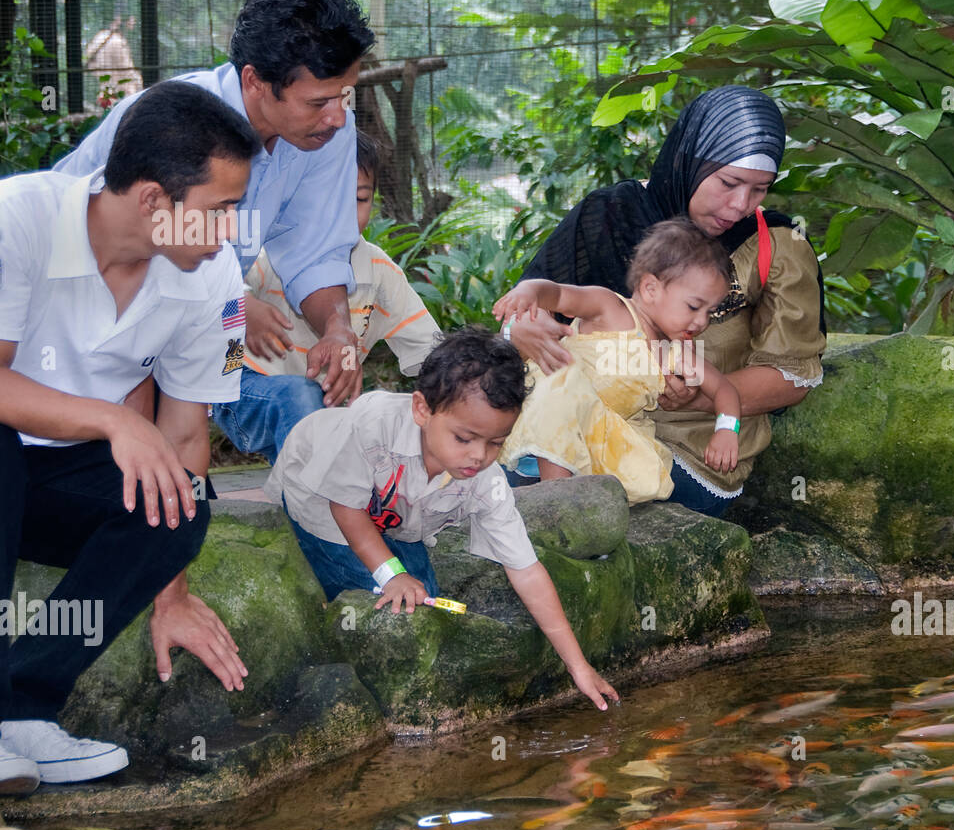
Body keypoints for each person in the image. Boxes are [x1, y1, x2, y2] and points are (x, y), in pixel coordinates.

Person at [0, 82, 260, 793]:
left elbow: (184, 436)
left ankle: (22, 710)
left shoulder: (218, 283)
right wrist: (114, 419)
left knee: (183, 501)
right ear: (153, 201)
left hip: (55, 488)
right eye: (220, 211)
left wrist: (168, 590)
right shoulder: (15, 218)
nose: (232, 232)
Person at [58, 0, 375, 411]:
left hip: (205, 335)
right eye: (318, 102)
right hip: (89, 329)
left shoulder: (329, 133)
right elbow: (110, 241)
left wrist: (339, 330)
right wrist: (235, 304)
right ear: (254, 82)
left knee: (295, 406)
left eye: (345, 96)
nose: (338, 118)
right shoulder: (171, 121)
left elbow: (316, 252)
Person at [263, 328, 620, 712]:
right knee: (386, 602)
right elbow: (345, 509)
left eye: (496, 443)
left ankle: (380, 566)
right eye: (464, 438)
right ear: (422, 410)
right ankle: (321, 606)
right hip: (320, 497)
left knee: (425, 602)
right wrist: (391, 574)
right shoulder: (373, 424)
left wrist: (578, 665)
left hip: (389, 516)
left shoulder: (486, 479)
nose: (479, 456)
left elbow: (526, 569)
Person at [512, 85, 827, 517]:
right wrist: (520, 331)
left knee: (532, 492)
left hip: (687, 451)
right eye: (729, 183)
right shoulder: (609, 215)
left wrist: (697, 397)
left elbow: (792, 376)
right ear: (689, 161)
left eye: (759, 189)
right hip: (576, 421)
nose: (739, 205)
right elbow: (529, 308)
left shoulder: (779, 244)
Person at [214, 130, 441, 463]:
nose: (341, 213)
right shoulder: (269, 251)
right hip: (240, 386)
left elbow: (432, 354)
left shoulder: (379, 272)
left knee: (388, 415)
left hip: (324, 405)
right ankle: (322, 504)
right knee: (302, 399)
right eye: (327, 198)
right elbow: (210, 288)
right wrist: (244, 306)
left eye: (359, 199)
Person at [492, 217, 742, 504]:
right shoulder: (609, 307)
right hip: (549, 410)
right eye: (694, 306)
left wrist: (726, 430)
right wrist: (529, 291)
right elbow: (558, 293)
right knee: (564, 384)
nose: (701, 321)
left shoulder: (673, 352)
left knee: (642, 473)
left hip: (598, 438)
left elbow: (724, 390)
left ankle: (575, 503)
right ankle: (555, 502)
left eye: (710, 312)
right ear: (650, 288)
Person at [85, 13, 143, 102]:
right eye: (131, 19)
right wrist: (139, 83)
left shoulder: (101, 36)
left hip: (105, 91)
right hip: (121, 93)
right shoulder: (118, 42)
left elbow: (89, 62)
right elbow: (127, 70)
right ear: (119, 20)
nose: (133, 22)